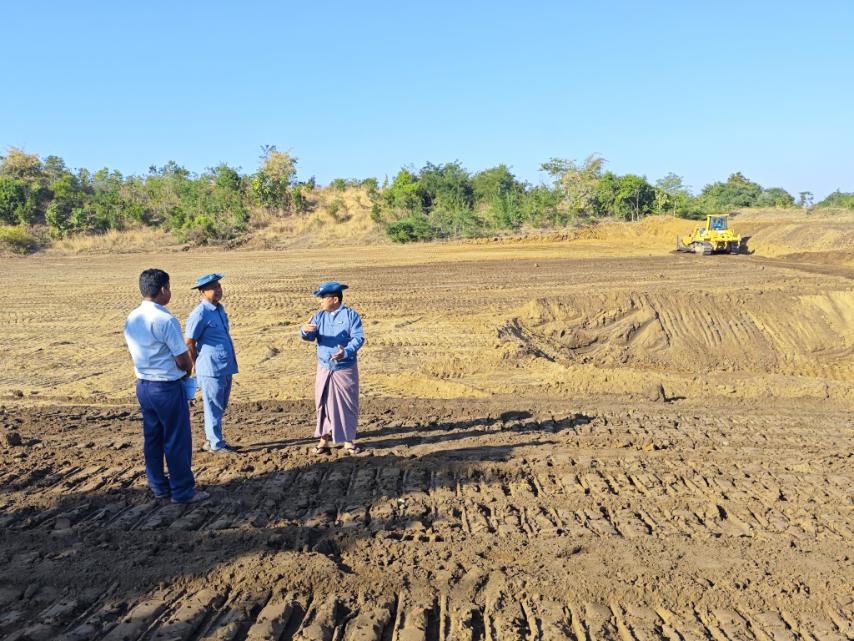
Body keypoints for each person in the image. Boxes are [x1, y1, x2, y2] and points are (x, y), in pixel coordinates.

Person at [124, 268, 208, 504]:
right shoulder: (165, 319)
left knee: (153, 437)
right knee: (176, 439)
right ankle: (182, 491)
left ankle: (159, 486)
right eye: (169, 287)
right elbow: (183, 359)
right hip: (166, 388)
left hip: (143, 385)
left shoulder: (132, 317)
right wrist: (187, 369)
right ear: (163, 289)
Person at [300, 281, 365, 455]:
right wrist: (305, 331)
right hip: (324, 368)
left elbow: (358, 338)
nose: (320, 301)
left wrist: (346, 352)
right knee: (322, 404)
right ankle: (324, 440)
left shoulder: (351, 316)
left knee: (346, 405)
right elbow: (309, 336)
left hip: (344, 368)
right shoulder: (319, 316)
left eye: (323, 298)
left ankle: (348, 441)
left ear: (335, 299)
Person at [184, 273, 239, 454]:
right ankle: (215, 444)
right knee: (213, 407)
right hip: (210, 368)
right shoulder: (199, 314)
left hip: (225, 366)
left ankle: (212, 439)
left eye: (218, 286)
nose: (217, 290)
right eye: (212, 288)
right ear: (202, 292)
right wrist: (195, 363)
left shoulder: (219, 309)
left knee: (219, 406)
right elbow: (189, 341)